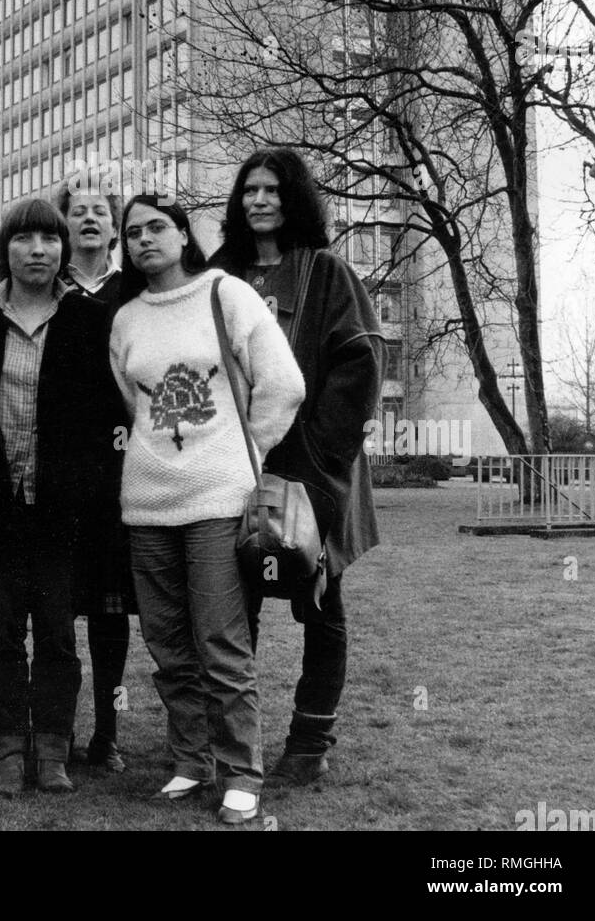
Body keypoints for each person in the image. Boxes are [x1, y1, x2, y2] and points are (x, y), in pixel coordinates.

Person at [109, 194, 305, 825]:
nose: (144, 240)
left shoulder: (227, 294)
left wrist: (247, 446)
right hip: (146, 502)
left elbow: (283, 382)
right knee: (166, 643)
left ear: (183, 235)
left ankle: (242, 770)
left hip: (219, 500)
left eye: (157, 227)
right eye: (132, 232)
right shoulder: (127, 319)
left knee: (221, 640)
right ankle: (191, 760)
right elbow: (133, 404)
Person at [0, 198, 124, 799]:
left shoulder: (88, 319)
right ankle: (10, 751)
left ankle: (54, 752)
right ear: (5, 247)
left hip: (62, 509)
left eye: (49, 239)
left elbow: (107, 413)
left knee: (59, 636)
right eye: (24, 239)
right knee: (0, 631)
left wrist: (88, 481)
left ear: (63, 249)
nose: (37, 250)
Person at [210, 147, 384, 785]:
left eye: (273, 190)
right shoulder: (218, 276)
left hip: (313, 474)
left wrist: (320, 460)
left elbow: (359, 365)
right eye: (249, 190)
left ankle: (309, 744)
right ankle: (232, 743)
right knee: (234, 610)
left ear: (294, 199)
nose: (259, 200)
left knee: (320, 604)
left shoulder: (327, 272)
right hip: (234, 469)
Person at [53, 179, 136, 773]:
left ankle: (106, 733)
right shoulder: (45, 293)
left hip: (121, 472)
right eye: (76, 212)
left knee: (109, 611)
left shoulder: (133, 291)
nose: (88, 219)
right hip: (56, 470)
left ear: (114, 229)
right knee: (55, 609)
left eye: (99, 212)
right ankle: (52, 733)